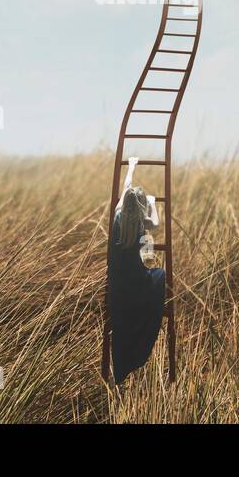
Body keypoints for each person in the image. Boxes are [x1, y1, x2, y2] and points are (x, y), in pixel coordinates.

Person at [107, 157, 166, 384]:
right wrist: (152, 202)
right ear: (141, 206)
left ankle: (119, 370)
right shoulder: (142, 223)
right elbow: (157, 224)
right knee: (159, 275)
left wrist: (131, 167)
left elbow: (125, 188)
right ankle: (136, 357)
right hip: (137, 281)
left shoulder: (118, 217)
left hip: (119, 283)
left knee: (123, 323)